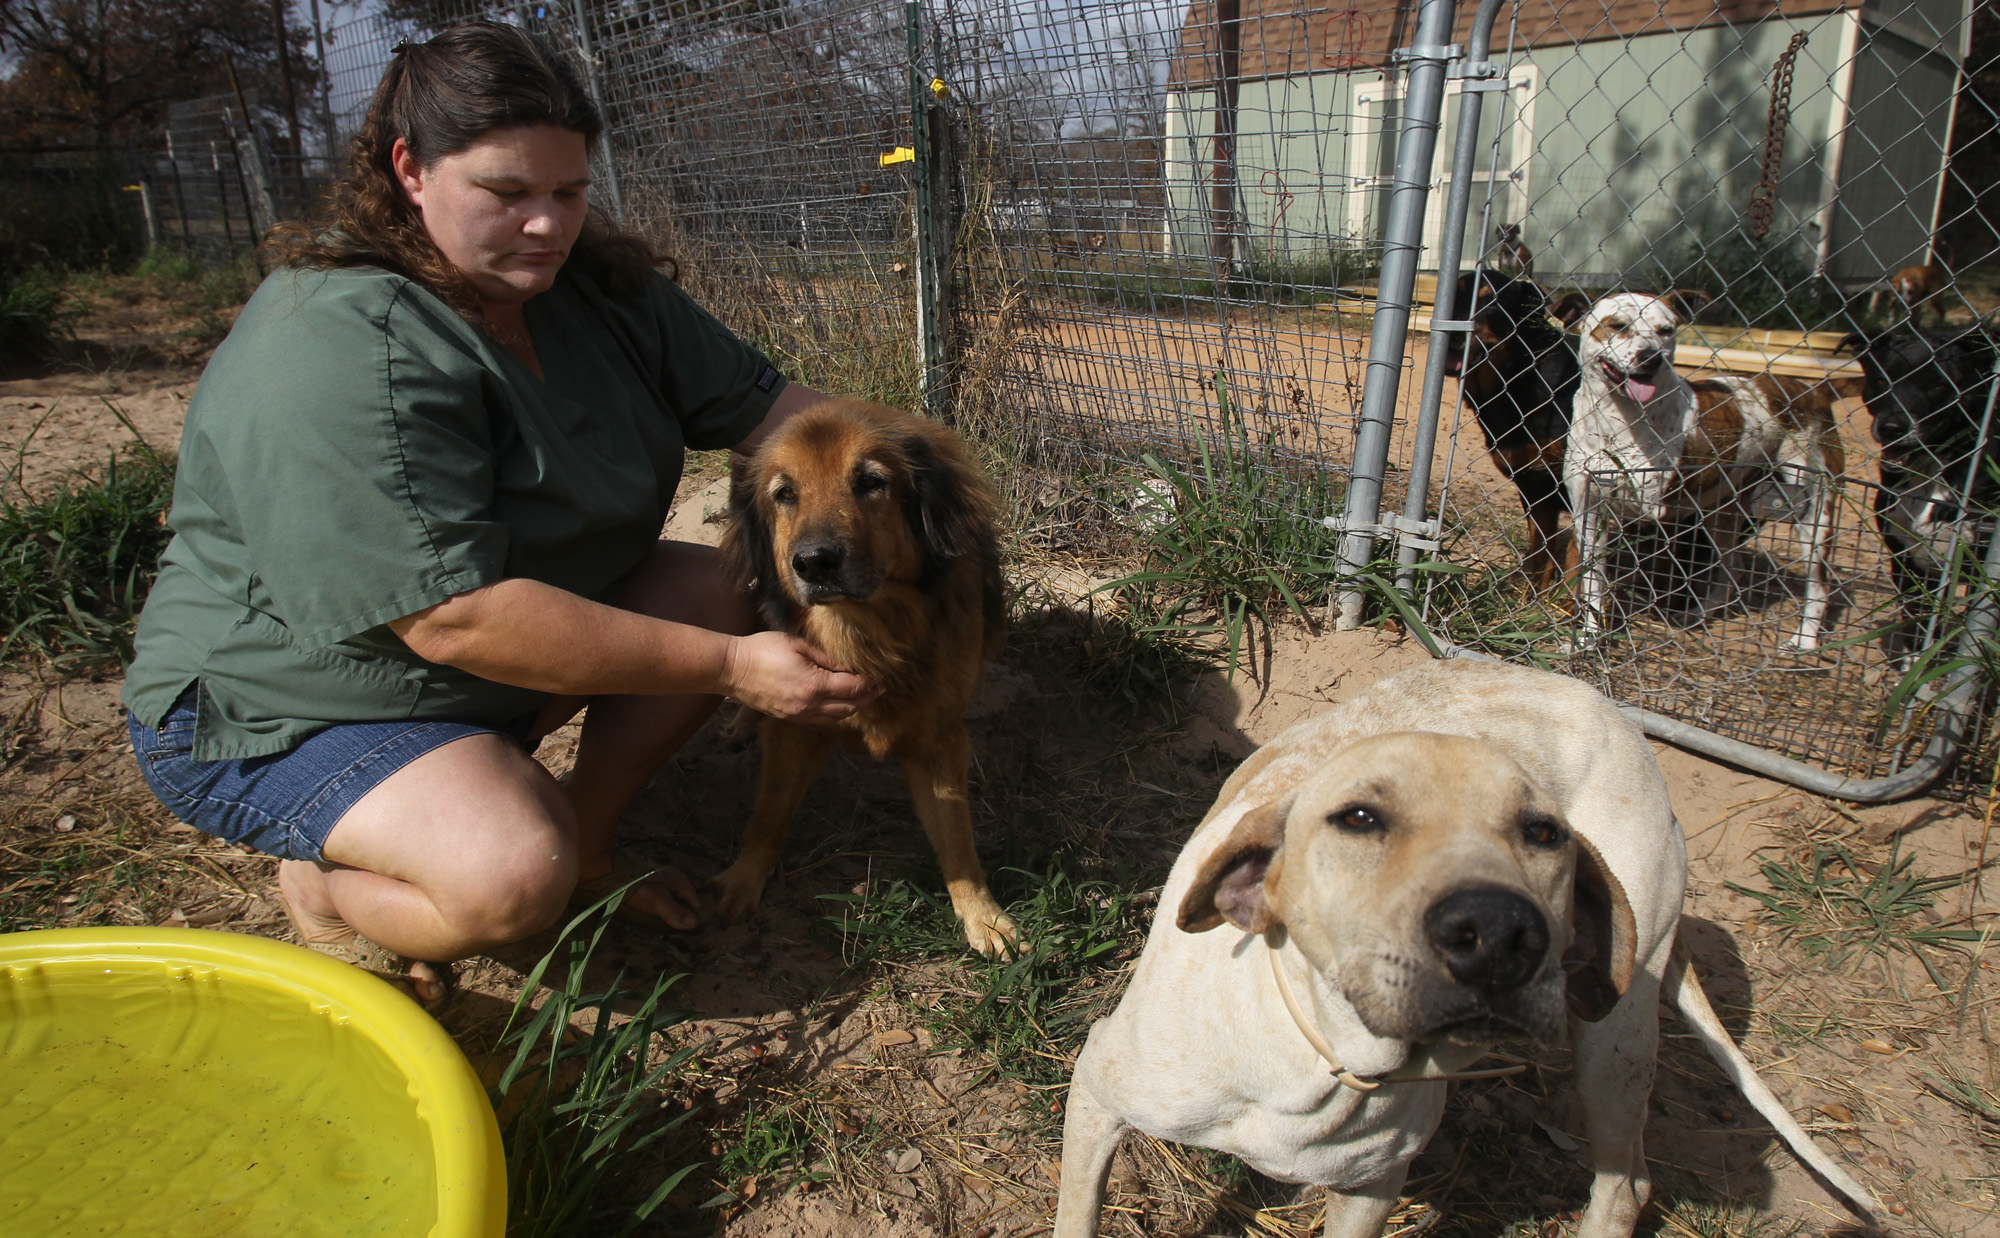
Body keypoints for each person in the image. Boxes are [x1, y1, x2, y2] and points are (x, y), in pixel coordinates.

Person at [122, 21, 879, 1005]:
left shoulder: (591, 289)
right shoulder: (339, 344)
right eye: (507, 193)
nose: (547, 225)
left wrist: (910, 480)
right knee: (510, 875)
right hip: (295, 701)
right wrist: (736, 669)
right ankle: (327, 881)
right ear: (409, 169)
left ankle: (589, 846)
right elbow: (454, 615)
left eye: (567, 192)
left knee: (721, 582)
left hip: (476, 663)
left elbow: (786, 419)